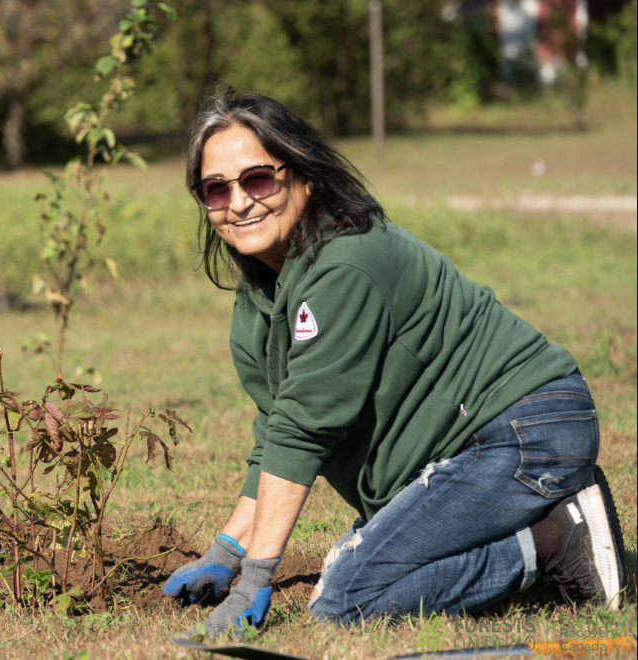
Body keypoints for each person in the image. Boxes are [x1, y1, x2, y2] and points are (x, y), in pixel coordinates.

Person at [162, 91, 625, 630]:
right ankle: (536, 519)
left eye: (258, 179)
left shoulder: (345, 263)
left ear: (303, 176)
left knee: (346, 599)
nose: (239, 202)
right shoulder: (260, 297)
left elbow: (305, 427)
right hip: (465, 446)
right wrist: (228, 551)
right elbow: (279, 426)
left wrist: (255, 578)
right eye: (216, 189)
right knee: (350, 574)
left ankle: (555, 540)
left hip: (524, 429)